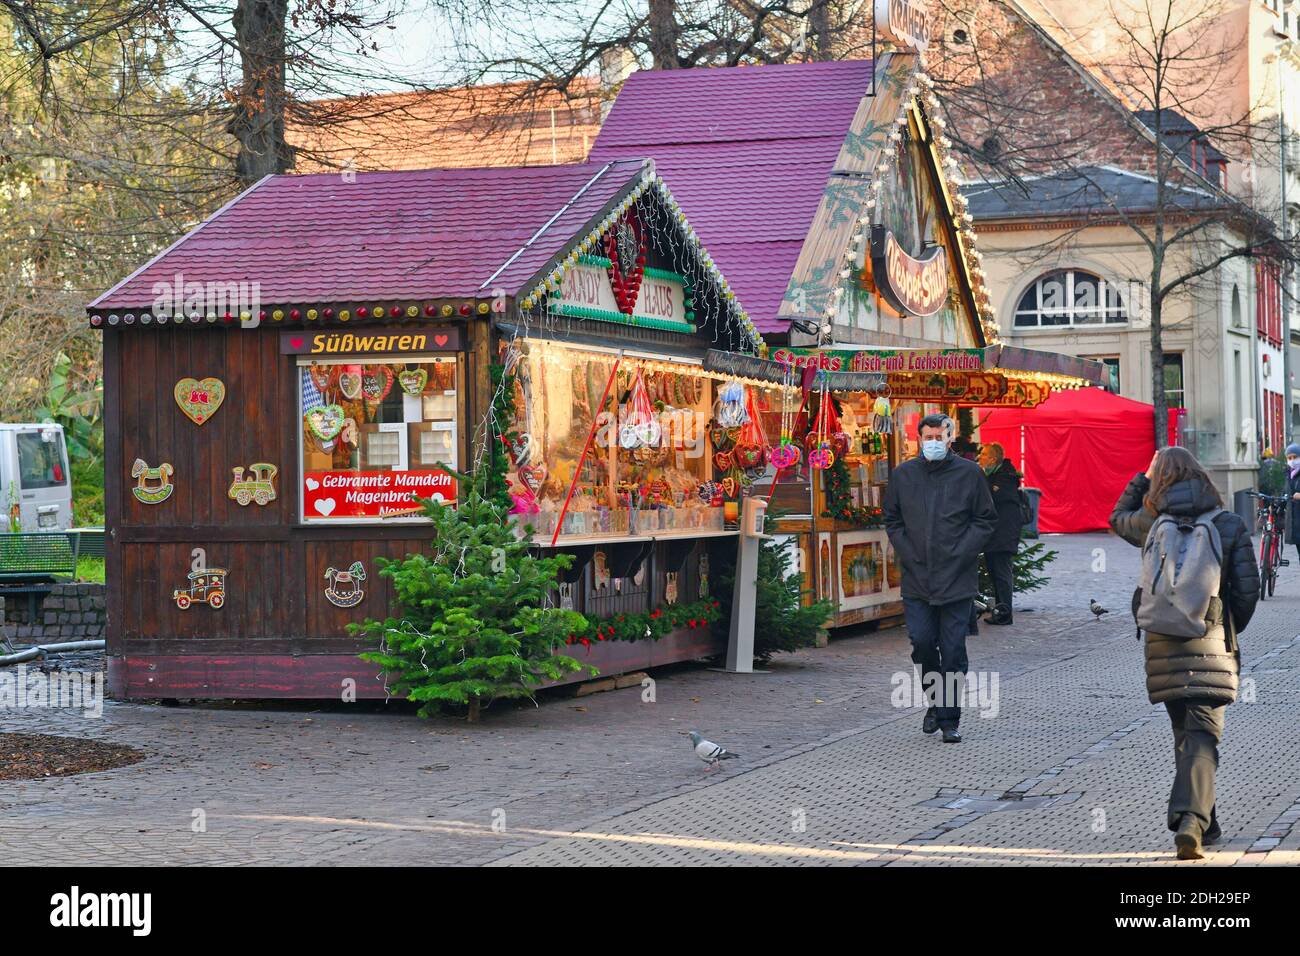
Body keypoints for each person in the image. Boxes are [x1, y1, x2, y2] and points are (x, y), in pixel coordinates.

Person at [1109, 446, 1258, 860]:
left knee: (1186, 735)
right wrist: (1224, 627)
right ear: (1204, 476)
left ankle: (1206, 824)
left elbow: (1116, 519)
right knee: (1203, 735)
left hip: (1162, 642)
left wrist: (1141, 477)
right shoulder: (1228, 524)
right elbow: (1246, 592)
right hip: (1211, 643)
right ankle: (1191, 820)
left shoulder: (1151, 521)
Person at [884, 413, 996, 743]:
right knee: (921, 642)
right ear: (919, 439)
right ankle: (935, 701)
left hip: (957, 578)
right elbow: (892, 519)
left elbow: (985, 519)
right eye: (927, 436)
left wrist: (962, 551)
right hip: (917, 577)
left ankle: (949, 718)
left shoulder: (969, 474)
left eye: (939, 436)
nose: (933, 441)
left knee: (952, 650)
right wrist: (907, 551)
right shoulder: (904, 475)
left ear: (950, 438)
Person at [978, 442, 1022, 625]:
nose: (980, 459)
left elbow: (990, 499)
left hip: (1002, 534)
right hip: (996, 534)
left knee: (1001, 574)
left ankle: (1005, 613)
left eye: (983, 456)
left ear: (992, 459)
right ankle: (1001, 611)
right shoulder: (998, 476)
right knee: (996, 573)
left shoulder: (1004, 478)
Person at [1286, 443, 1300, 566]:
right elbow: (1286, 492)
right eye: (1289, 458)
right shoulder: (1289, 474)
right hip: (1296, 523)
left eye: (1295, 457)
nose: (1292, 461)